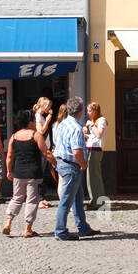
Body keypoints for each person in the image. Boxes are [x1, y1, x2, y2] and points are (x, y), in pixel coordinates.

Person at [52, 96, 97, 241]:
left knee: (77, 198)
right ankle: (60, 231)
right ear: (81, 111)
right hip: (72, 166)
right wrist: (83, 164)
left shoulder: (63, 124)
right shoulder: (76, 128)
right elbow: (76, 151)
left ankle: (82, 227)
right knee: (66, 199)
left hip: (63, 162)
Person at [2, 109, 51, 238]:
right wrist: (56, 164)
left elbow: (9, 156)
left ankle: (8, 222)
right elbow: (46, 153)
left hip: (18, 172)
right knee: (31, 201)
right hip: (33, 173)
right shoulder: (36, 135)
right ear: (29, 122)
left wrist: (8, 170)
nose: (35, 122)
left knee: (17, 198)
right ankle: (28, 228)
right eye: (34, 120)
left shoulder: (14, 136)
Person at [84, 102, 108, 206]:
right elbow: (93, 137)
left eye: (89, 111)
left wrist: (91, 125)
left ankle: (99, 201)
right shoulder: (94, 121)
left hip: (96, 150)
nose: (88, 113)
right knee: (90, 177)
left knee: (95, 177)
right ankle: (93, 199)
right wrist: (85, 134)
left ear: (95, 111)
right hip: (90, 148)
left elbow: (99, 134)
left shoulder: (101, 120)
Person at [33, 97, 55, 208]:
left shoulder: (41, 116)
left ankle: (41, 196)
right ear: (43, 105)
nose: (50, 108)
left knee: (43, 171)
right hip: (40, 148)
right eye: (48, 106)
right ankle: (39, 197)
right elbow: (40, 131)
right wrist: (48, 120)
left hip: (45, 147)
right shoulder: (38, 116)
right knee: (40, 172)